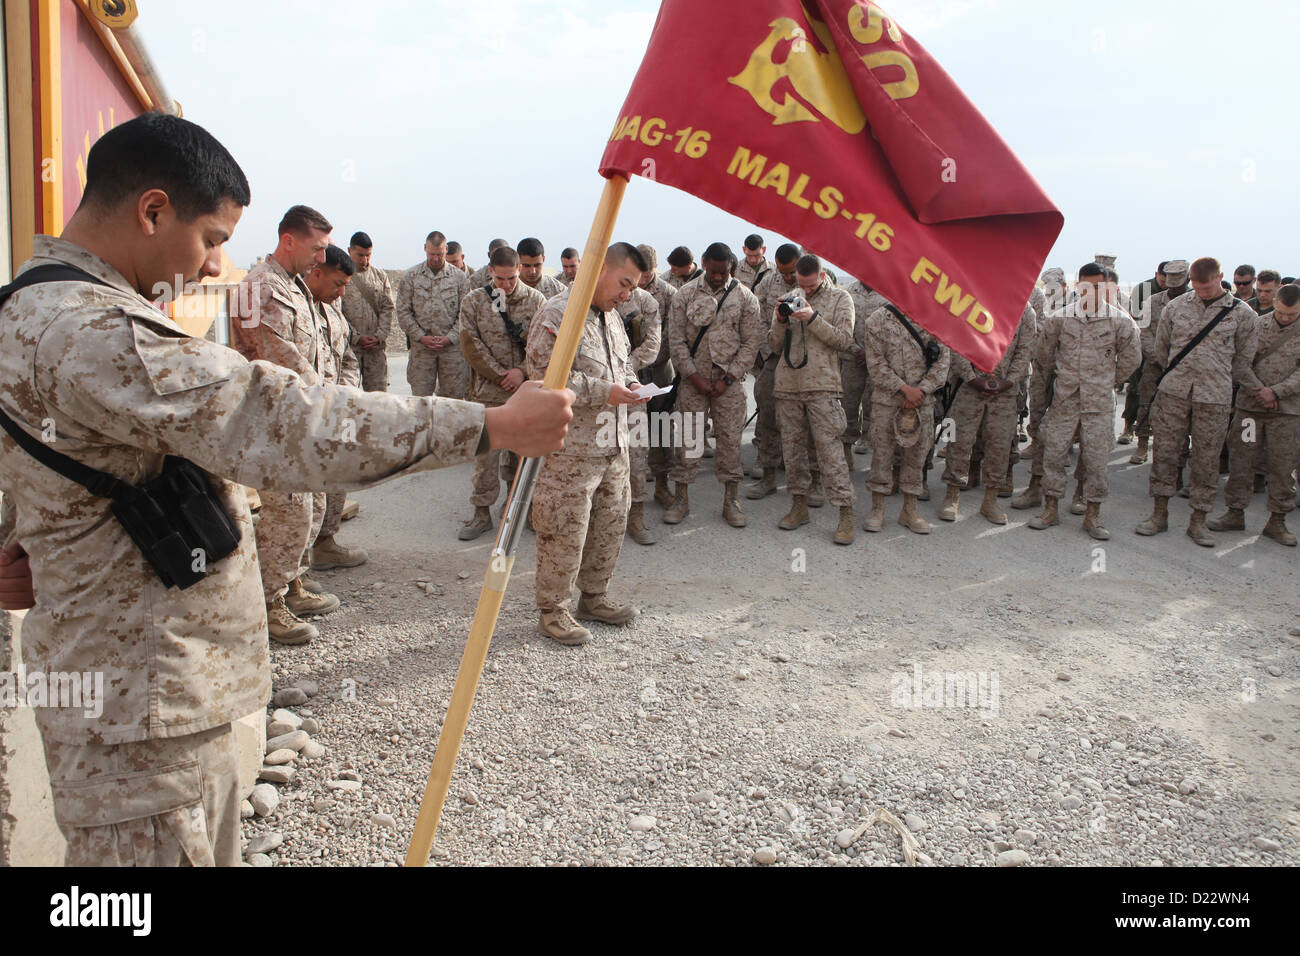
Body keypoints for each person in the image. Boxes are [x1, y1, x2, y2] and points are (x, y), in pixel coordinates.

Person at [0, 113, 573, 867]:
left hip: (130, 690)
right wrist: (491, 426)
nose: (213, 268)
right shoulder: (98, 331)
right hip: (143, 711)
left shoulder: (28, 304)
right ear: (151, 210)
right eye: (210, 239)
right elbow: (285, 422)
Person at [526, 243, 649, 646]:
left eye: (634, 287)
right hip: (572, 450)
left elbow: (623, 362)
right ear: (600, 270)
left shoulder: (611, 317)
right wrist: (604, 391)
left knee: (611, 523)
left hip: (613, 444)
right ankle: (553, 609)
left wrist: (631, 383)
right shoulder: (558, 313)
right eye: (625, 283)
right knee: (564, 527)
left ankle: (593, 597)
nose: (627, 294)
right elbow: (546, 377)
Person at [230, 204, 339, 642]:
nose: (321, 258)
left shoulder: (292, 285)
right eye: (317, 248)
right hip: (275, 420)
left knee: (310, 508)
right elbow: (280, 360)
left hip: (301, 417)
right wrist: (332, 404)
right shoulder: (260, 288)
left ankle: (290, 583)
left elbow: (318, 352)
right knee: (288, 514)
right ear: (289, 240)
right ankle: (267, 604)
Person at [1137, 257, 1257, 546]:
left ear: (1221, 277)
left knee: (1206, 458)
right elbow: (1161, 351)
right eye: (1197, 286)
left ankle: (1198, 520)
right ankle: (1159, 514)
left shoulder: (1243, 315)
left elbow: (1243, 360)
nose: (1201, 292)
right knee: (1165, 453)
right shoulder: (1175, 308)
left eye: (1207, 286)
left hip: (1214, 398)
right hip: (1174, 393)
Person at [1026, 265, 1140, 539]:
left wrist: (1105, 381)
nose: (1091, 291)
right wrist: (1064, 377)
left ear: (1108, 288)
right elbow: (1044, 354)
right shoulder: (1060, 318)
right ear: (1078, 285)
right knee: (1053, 454)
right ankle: (1050, 509)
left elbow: (1131, 360)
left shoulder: (1120, 321)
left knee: (1096, 460)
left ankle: (1092, 515)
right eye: (1086, 286)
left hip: (1099, 404)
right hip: (1065, 400)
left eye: (1098, 286)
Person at [664, 242, 763, 526]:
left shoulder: (745, 298)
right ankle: (681, 499)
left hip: (728, 384)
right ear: (704, 262)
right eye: (714, 271)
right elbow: (677, 340)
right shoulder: (685, 295)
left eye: (724, 272)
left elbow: (750, 343)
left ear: (731, 266)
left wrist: (729, 377)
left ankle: (731, 500)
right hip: (693, 381)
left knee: (731, 442)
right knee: (688, 442)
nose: (719, 277)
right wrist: (693, 376)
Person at [457, 246, 547, 540]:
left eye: (511, 278)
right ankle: (481, 513)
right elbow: (471, 345)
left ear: (519, 269)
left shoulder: (536, 300)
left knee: (523, 456)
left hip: (525, 391)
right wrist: (500, 375)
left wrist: (521, 371)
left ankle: (519, 508)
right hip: (487, 392)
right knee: (485, 457)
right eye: (500, 279)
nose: (506, 285)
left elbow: (543, 344)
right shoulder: (474, 301)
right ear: (490, 271)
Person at [769, 255, 857, 543]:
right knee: (792, 451)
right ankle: (799, 506)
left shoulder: (840, 298)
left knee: (830, 451)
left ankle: (845, 513)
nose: (804, 291)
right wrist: (782, 320)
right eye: (799, 284)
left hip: (822, 386)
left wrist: (814, 318)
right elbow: (773, 344)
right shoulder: (790, 297)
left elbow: (845, 341)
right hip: (789, 385)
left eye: (809, 284)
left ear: (821, 276)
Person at [1208, 282, 1300, 545]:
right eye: (1280, 312)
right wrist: (1260, 390)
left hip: (1286, 412)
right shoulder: (1256, 324)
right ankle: (1235, 512)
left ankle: (1277, 521)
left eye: (1290, 315)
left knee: (1282, 467)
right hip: (1251, 409)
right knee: (1242, 460)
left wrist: (1277, 392)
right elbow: (1239, 361)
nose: (1283, 318)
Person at [939, 303, 1036, 525]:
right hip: (969, 387)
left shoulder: (1024, 309)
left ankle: (990, 500)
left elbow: (1025, 350)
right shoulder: (971, 298)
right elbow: (956, 340)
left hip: (1005, 390)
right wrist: (970, 377)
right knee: (959, 441)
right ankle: (952, 495)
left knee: (999, 446)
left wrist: (1009, 380)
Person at [303, 245, 369, 573]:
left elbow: (348, 356)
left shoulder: (332, 308)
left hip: (339, 409)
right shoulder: (296, 307)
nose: (342, 292)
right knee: (304, 495)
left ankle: (326, 543)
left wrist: (349, 394)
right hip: (309, 415)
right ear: (317, 274)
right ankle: (294, 573)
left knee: (341, 473)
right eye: (338, 284)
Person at [863, 303, 950, 533]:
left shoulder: (936, 318)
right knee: (882, 455)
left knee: (916, 457)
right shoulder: (877, 320)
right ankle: (877, 509)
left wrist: (921, 390)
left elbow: (942, 363)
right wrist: (904, 389)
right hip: (887, 400)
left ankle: (910, 511)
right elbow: (875, 364)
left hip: (922, 401)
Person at [615, 254, 665, 545]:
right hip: (599, 388)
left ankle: (636, 514)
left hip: (633, 386)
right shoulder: (589, 300)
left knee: (636, 452)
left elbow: (653, 344)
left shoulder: (647, 302)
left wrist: (623, 368)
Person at [747, 243, 800, 499]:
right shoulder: (769, 281)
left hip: (804, 362)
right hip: (773, 356)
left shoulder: (813, 285)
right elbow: (755, 315)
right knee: (766, 408)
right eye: (783, 272)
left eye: (792, 272)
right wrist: (764, 350)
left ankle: (802, 478)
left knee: (802, 419)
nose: (787, 277)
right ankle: (767, 471)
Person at [397, 230, 472, 399]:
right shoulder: (411, 277)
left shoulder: (460, 278)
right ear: (425, 248)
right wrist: (421, 336)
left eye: (439, 254)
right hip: (422, 350)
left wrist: (450, 337)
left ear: (446, 249)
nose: (436, 258)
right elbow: (403, 312)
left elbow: (465, 314)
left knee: (453, 401)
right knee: (420, 401)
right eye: (432, 254)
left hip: (451, 351)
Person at [1130, 260, 1190, 465]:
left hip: (1185, 369)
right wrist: (1159, 357)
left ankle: (1176, 452)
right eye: (1170, 285)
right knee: (1145, 403)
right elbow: (1144, 331)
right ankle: (1142, 444)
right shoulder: (1153, 301)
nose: (1173, 289)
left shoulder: (1195, 302)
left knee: (1180, 411)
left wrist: (1176, 361)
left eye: (1178, 286)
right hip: (1155, 363)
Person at [634, 245, 678, 507]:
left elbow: (673, 334)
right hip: (630, 372)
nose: (643, 280)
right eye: (640, 273)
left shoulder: (669, 294)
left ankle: (662, 484)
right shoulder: (625, 291)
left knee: (661, 429)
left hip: (660, 372)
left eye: (648, 274)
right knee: (633, 432)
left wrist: (653, 359)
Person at [340, 230, 396, 392]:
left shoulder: (380, 276)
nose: (364, 260)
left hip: (375, 350)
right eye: (360, 255)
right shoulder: (341, 276)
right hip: (351, 349)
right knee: (350, 397)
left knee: (379, 399)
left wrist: (379, 336)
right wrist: (356, 337)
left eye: (368, 255)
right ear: (350, 251)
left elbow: (388, 307)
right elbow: (337, 312)